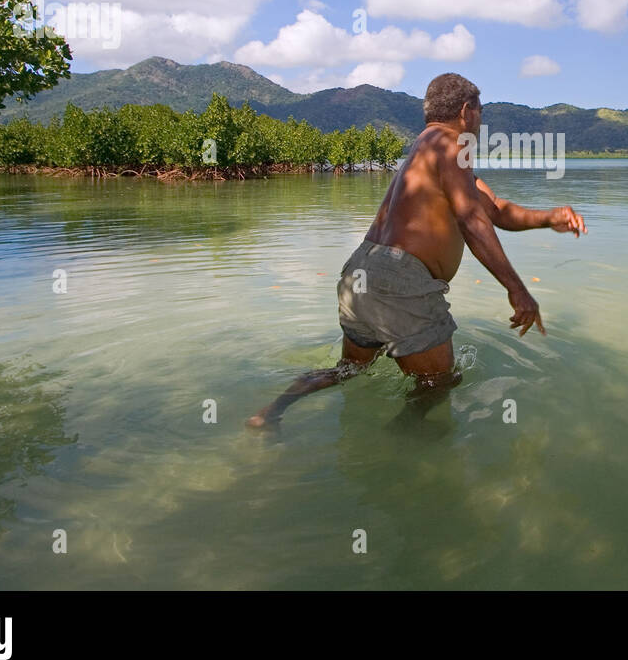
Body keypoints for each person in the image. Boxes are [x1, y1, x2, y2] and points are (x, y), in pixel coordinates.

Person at [246, 73, 586, 428]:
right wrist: (517, 290)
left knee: (349, 370)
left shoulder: (427, 152)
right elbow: (472, 219)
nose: (481, 123)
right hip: (399, 280)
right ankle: (395, 449)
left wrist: (550, 218)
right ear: (466, 111)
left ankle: (270, 413)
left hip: (361, 272)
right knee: (439, 383)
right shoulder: (453, 146)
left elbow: (495, 210)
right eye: (481, 112)